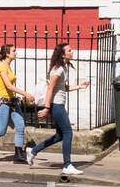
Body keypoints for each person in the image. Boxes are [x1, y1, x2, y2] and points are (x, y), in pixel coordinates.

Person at [26, 43, 90, 176]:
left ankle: (32, 151)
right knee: (68, 133)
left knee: (60, 135)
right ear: (62, 54)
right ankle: (67, 165)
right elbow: (50, 89)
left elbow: (62, 88)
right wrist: (46, 108)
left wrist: (79, 87)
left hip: (58, 104)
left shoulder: (64, 68)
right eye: (69, 50)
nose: (72, 52)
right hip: (56, 105)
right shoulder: (58, 70)